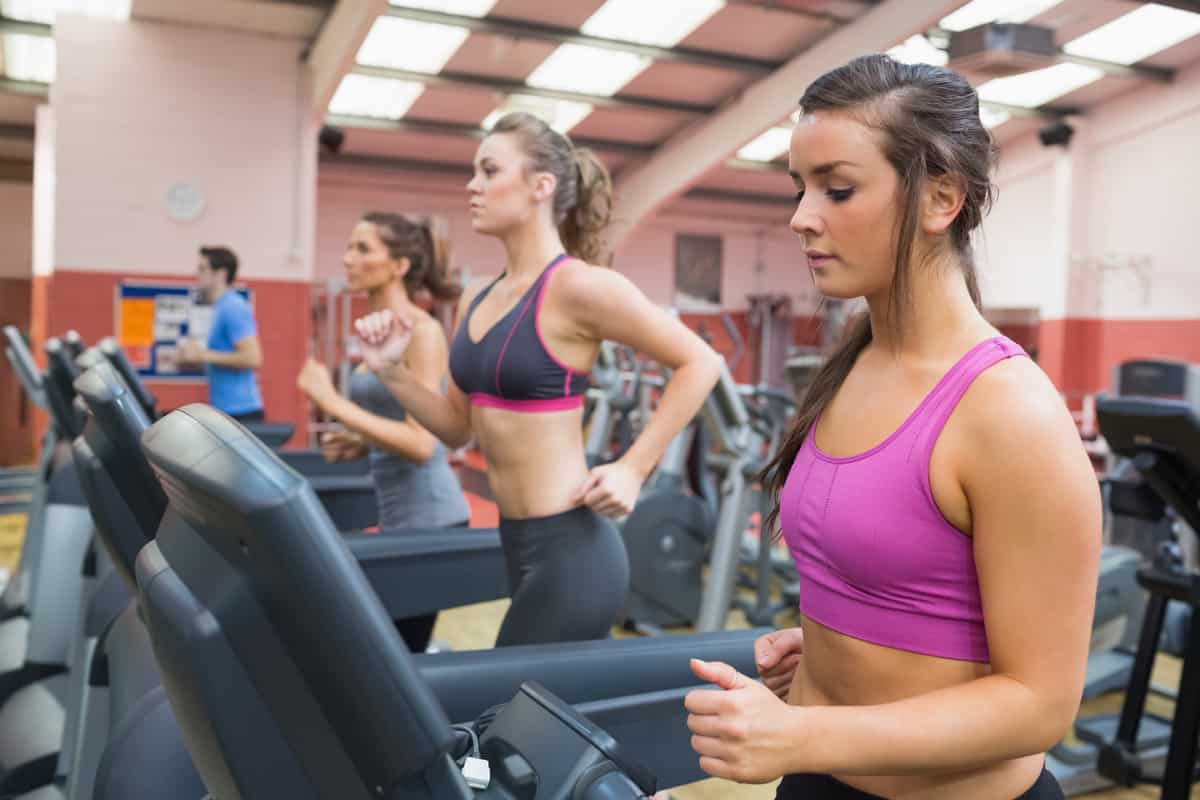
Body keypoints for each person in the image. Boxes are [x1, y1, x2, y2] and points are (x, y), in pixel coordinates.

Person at [680, 55, 1101, 799]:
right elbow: (916, 589)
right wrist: (831, 651)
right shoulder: (854, 365)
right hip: (821, 782)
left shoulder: (1008, 412)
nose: (801, 217)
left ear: (941, 198)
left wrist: (804, 733)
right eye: (800, 188)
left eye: (837, 189)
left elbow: (1040, 704)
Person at [353, 112, 726, 647]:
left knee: (501, 712)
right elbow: (457, 429)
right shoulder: (477, 296)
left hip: (573, 551)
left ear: (540, 187)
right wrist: (391, 370)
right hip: (515, 543)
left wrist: (632, 468)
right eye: (473, 172)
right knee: (531, 720)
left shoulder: (580, 287)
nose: (472, 186)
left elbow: (701, 362)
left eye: (488, 170)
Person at [296, 212, 471, 654]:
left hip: (431, 518)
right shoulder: (376, 332)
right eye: (349, 247)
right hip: (397, 515)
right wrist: (360, 442)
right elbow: (398, 423)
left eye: (363, 249)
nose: (348, 258)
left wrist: (332, 404)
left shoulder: (423, 333)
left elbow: (421, 443)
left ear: (399, 266)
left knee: (394, 659)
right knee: (385, 651)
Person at [179, 246, 265, 423]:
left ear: (220, 274)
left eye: (203, 269)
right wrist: (191, 360)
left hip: (242, 412)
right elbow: (221, 360)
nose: (197, 274)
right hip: (224, 410)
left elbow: (252, 358)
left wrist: (202, 354)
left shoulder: (233, 307)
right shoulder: (220, 308)